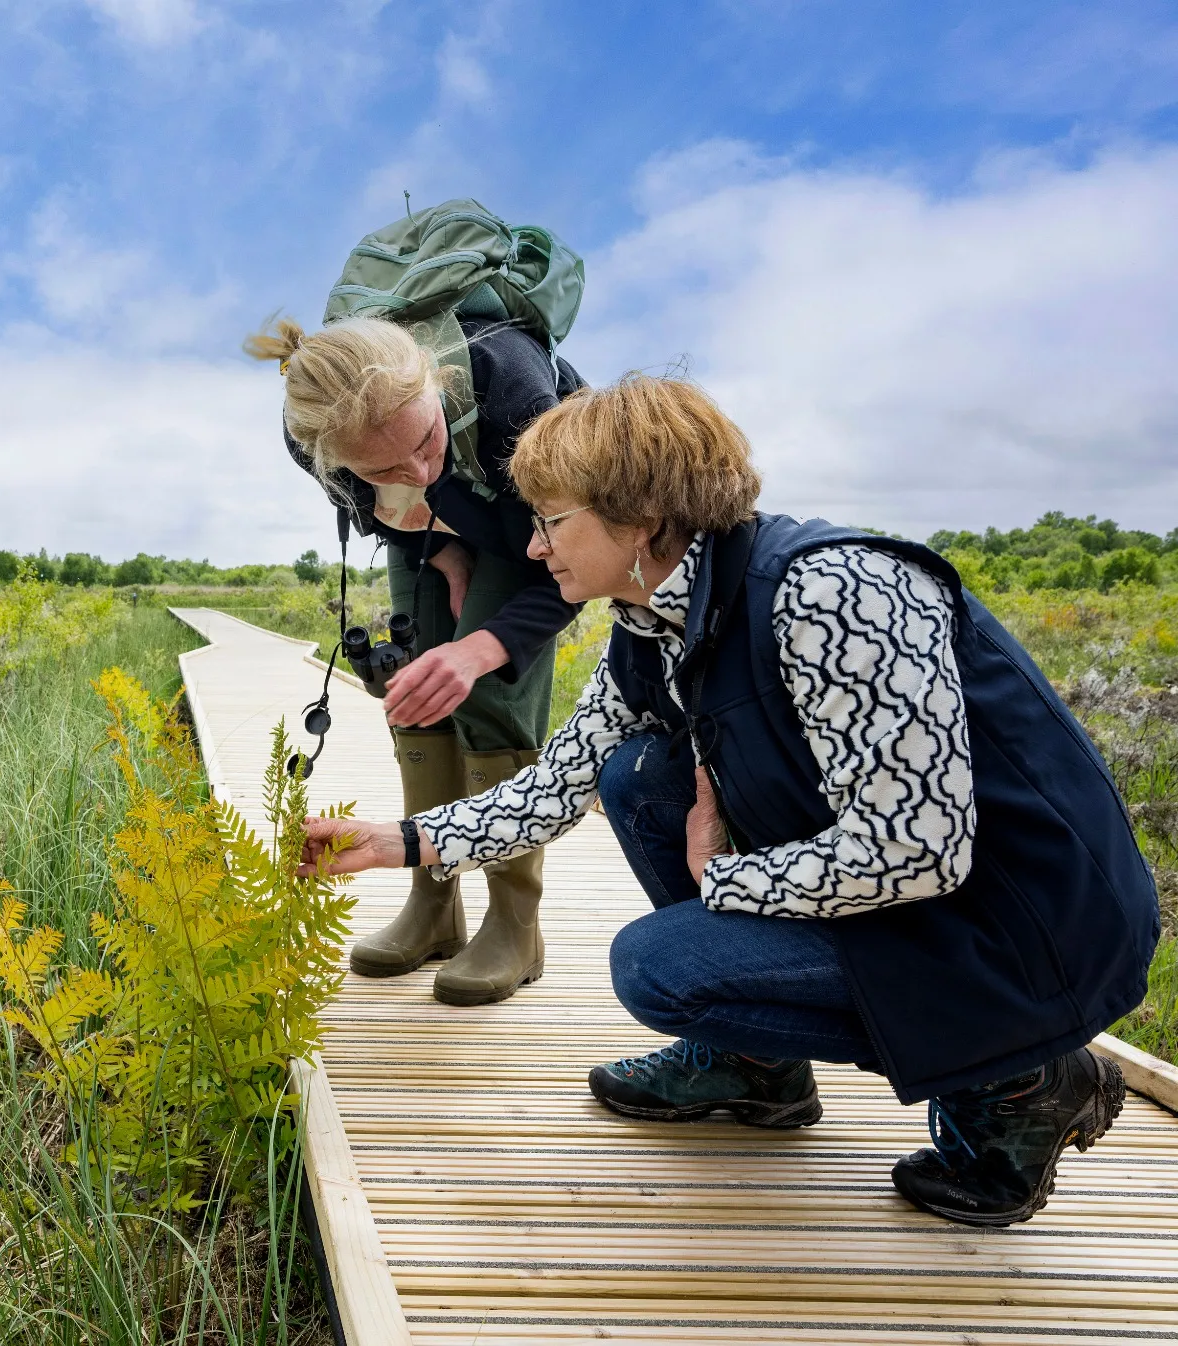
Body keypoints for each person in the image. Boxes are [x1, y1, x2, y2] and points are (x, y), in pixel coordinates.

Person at [299, 372, 1162, 1227]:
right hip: (915, 888)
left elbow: (920, 851)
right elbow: (557, 782)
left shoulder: (831, 594)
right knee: (637, 777)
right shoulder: (651, 621)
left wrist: (727, 880)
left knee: (659, 965)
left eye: (552, 521)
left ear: (642, 518)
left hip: (1025, 923)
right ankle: (757, 1068)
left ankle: (1023, 1081)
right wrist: (397, 842)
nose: (532, 548)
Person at [245, 313, 582, 1005]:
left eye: (427, 440)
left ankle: (516, 925)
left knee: (488, 695)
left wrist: (481, 648)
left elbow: (579, 563)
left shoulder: (515, 389)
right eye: (385, 466)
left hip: (533, 523)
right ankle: (433, 907)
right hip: (435, 525)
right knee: (412, 681)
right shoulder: (304, 434)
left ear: (440, 381)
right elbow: (378, 507)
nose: (419, 470)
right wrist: (450, 550)